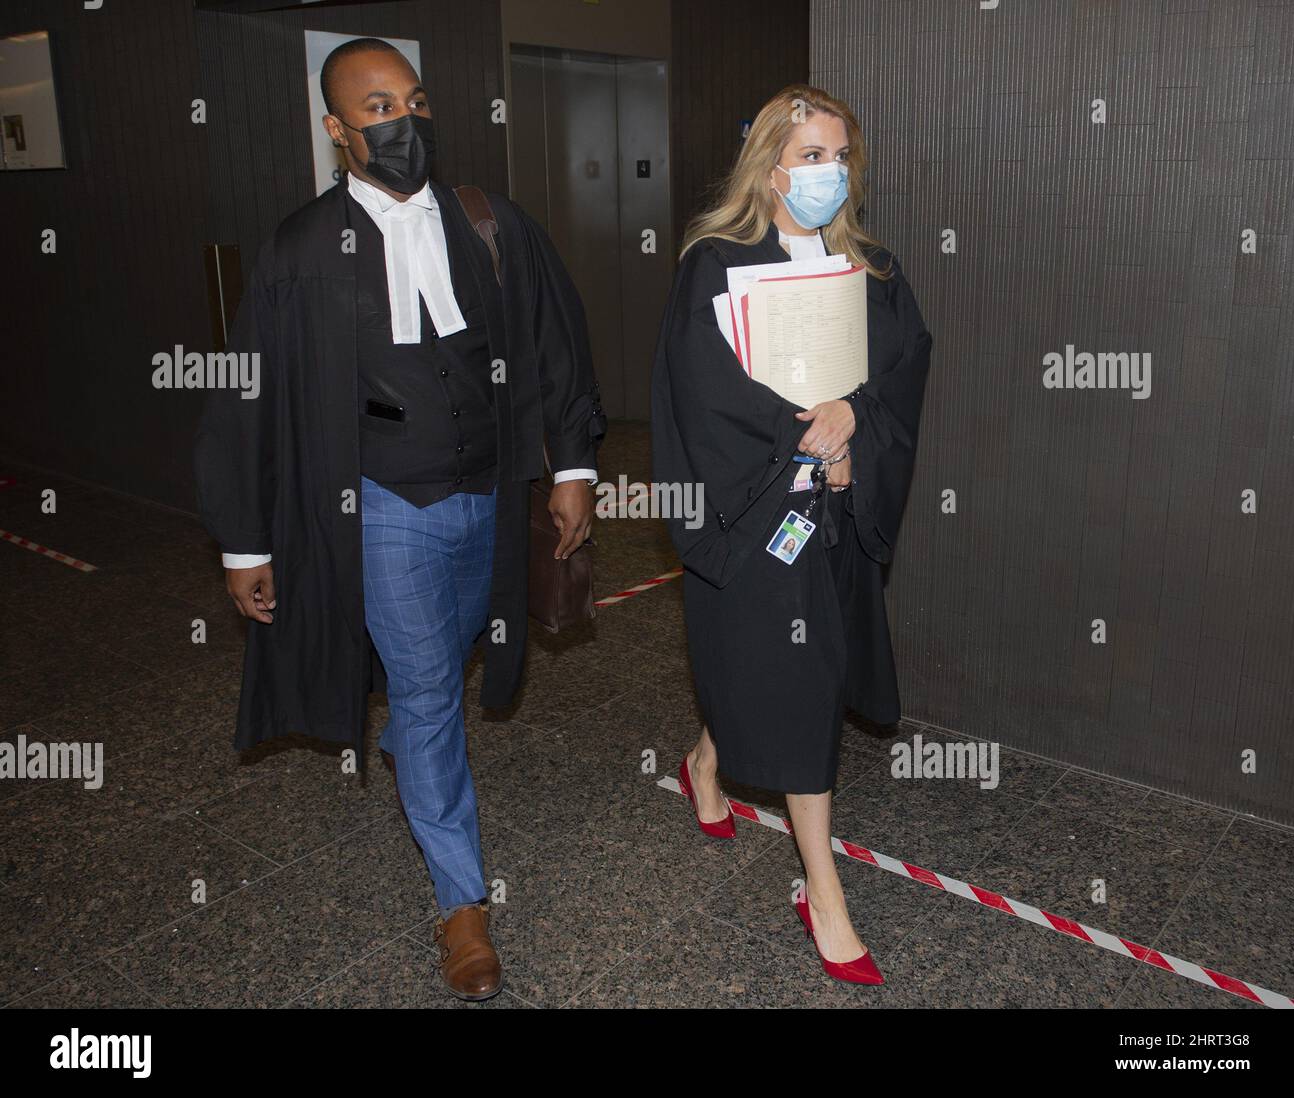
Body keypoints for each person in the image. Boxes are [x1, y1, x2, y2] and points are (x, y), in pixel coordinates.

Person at [193, 38, 606, 1001]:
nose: (402, 122)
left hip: (489, 495)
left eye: (413, 100)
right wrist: (246, 541)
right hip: (380, 507)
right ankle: (463, 907)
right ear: (337, 131)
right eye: (376, 109)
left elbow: (555, 341)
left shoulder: (490, 222)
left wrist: (575, 466)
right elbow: (246, 397)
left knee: (454, 654)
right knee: (427, 691)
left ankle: (410, 744)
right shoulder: (302, 249)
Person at [650, 83, 933, 984]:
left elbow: (902, 369)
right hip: (760, 506)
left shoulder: (873, 268)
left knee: (793, 666)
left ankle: (707, 758)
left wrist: (855, 420)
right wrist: (804, 442)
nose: (831, 173)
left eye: (842, 155)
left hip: (839, 510)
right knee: (800, 682)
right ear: (770, 164)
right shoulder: (715, 263)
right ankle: (822, 886)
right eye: (813, 156)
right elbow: (701, 390)